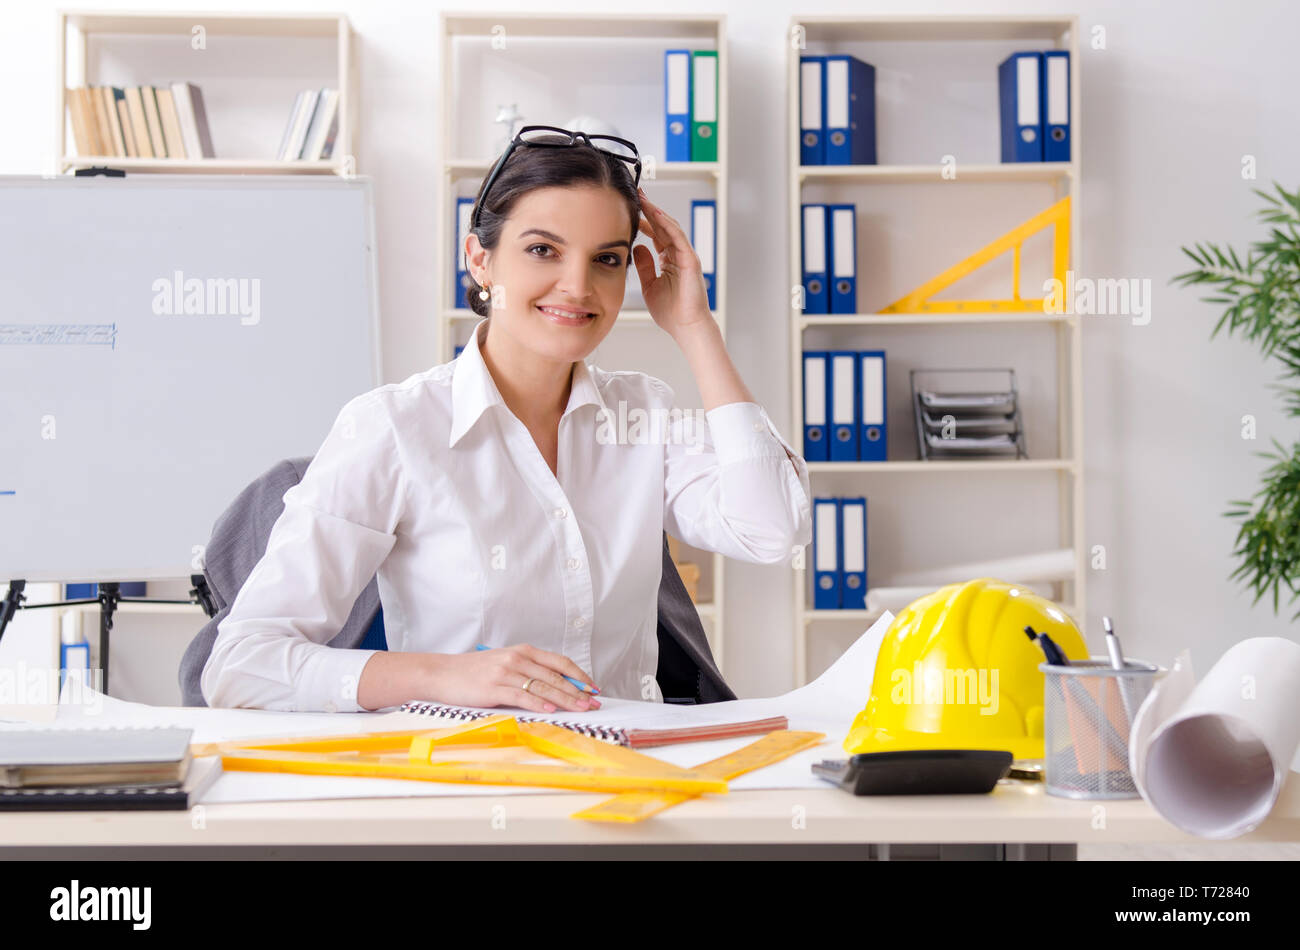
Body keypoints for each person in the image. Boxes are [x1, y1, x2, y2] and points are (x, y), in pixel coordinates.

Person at [202, 126, 811, 713]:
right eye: (543, 249)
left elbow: (771, 529)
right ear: (481, 259)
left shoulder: (640, 415)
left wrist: (695, 328)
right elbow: (242, 664)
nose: (577, 286)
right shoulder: (396, 427)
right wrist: (445, 675)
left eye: (607, 259)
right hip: (470, 777)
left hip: (627, 774)